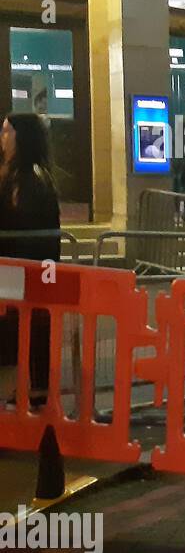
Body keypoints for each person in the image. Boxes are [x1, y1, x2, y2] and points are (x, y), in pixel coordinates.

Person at [0, 113, 61, 402]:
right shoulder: (16, 176)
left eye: (6, 132)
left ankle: (33, 393)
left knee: (22, 335)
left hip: (22, 275)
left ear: (20, 138)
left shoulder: (30, 179)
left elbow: (28, 231)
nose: (3, 139)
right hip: (17, 275)